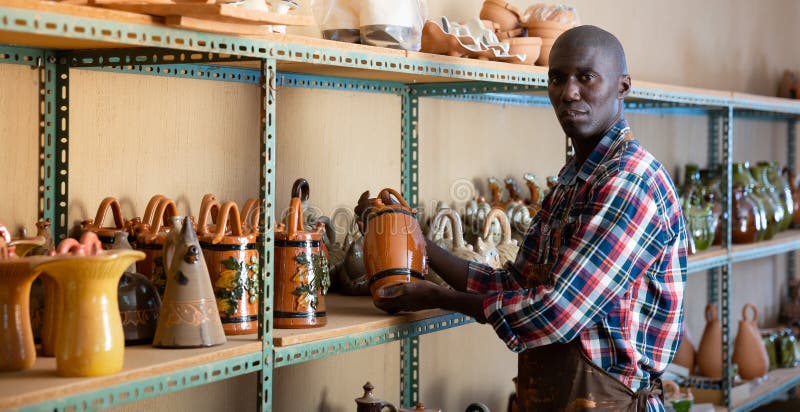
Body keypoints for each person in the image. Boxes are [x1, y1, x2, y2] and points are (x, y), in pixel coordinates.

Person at [356, 25, 686, 412]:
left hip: (614, 403)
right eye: (557, 78)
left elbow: (559, 310)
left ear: (622, 86)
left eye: (586, 77)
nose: (569, 92)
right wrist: (414, 242)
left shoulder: (629, 182)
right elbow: (514, 283)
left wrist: (438, 297)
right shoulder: (572, 182)